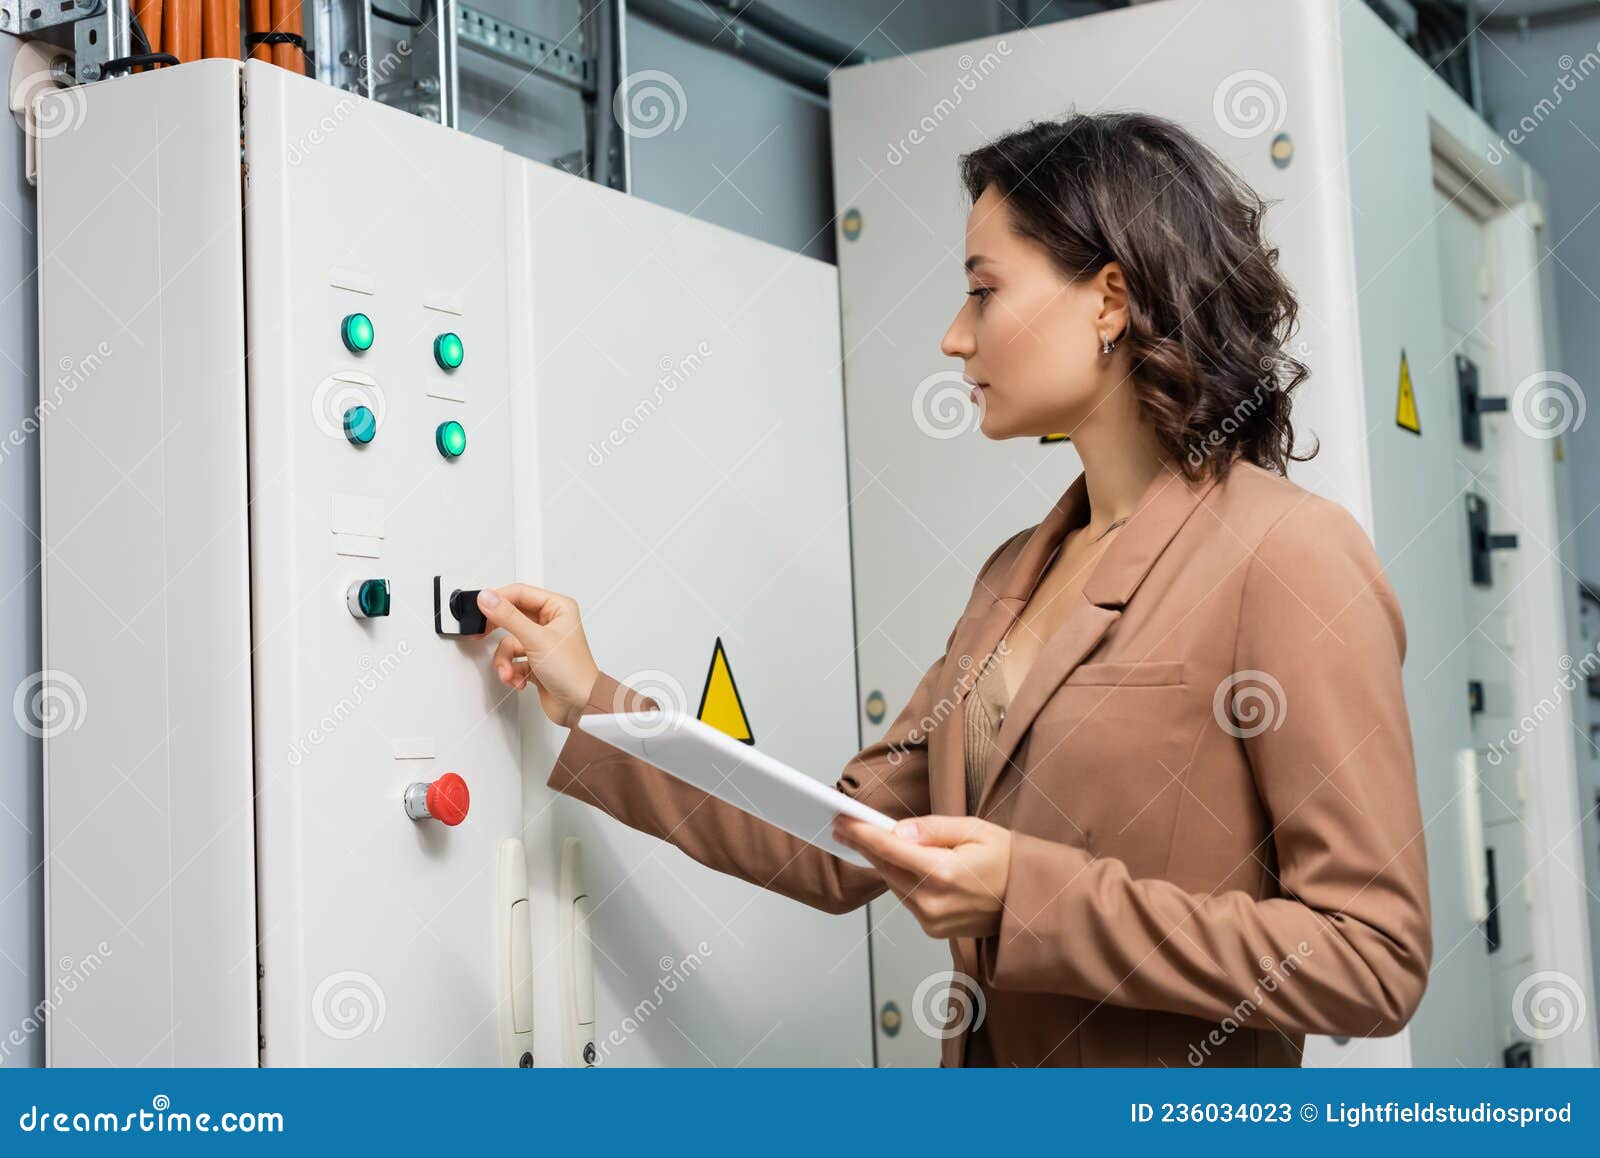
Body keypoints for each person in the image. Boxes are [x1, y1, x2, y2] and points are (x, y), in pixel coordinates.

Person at [474, 111, 1432, 1067]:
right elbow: (836, 839)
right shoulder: (1018, 570)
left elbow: (1372, 957)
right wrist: (594, 704)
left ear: (1109, 300)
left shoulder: (1289, 553)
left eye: (982, 293)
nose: (952, 337)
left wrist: (1034, 896)